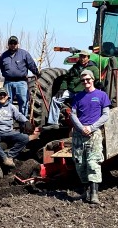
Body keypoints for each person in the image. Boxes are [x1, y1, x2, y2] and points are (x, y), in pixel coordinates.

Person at [70, 69, 112, 204]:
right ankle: (85, 192)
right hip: (79, 133)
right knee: (80, 162)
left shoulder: (101, 95)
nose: (85, 82)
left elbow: (106, 114)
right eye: (83, 80)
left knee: (93, 162)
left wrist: (92, 128)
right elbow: (73, 114)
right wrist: (81, 128)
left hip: (94, 133)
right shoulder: (77, 96)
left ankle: (94, 194)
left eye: (88, 79)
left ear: (92, 79)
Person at [0, 88, 35, 167]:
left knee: (25, 138)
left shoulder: (11, 107)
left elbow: (19, 115)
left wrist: (26, 121)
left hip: (9, 133)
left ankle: (10, 156)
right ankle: (4, 159)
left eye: (4, 95)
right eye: (0, 94)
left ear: (7, 96)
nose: (2, 96)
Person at [45, 50, 98, 127]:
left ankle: (83, 123)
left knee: (80, 104)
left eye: (84, 57)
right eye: (80, 56)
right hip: (71, 90)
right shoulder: (74, 68)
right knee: (55, 99)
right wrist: (62, 88)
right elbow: (66, 78)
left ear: (88, 58)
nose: (82, 59)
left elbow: (95, 79)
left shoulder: (93, 68)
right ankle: (53, 122)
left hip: (83, 91)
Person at [0, 35, 39, 116]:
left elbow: (31, 65)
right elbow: (2, 68)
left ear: (18, 44)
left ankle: (23, 124)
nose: (13, 45)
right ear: (8, 44)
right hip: (8, 82)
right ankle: (8, 123)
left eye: (15, 43)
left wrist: (37, 73)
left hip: (21, 82)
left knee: (23, 103)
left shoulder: (24, 54)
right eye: (11, 43)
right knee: (6, 103)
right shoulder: (3, 56)